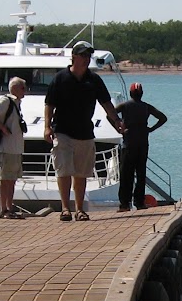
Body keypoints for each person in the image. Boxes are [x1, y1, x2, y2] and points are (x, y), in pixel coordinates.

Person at [44, 42, 124, 221]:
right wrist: (47, 126)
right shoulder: (60, 78)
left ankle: (80, 209)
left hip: (85, 132)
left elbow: (106, 104)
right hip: (62, 130)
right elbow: (49, 104)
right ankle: (65, 208)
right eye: (83, 55)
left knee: (81, 173)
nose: (86, 59)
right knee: (63, 170)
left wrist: (117, 121)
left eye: (88, 56)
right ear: (74, 57)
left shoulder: (94, 80)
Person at [115, 82, 167, 211]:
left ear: (131, 93)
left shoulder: (124, 106)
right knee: (141, 174)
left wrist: (119, 128)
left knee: (126, 174)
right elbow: (163, 118)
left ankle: (125, 204)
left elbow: (109, 115)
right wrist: (151, 129)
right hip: (143, 144)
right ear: (142, 93)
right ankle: (139, 202)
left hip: (129, 144)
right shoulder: (146, 107)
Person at [0, 76, 28, 218]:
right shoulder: (6, 101)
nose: (25, 91)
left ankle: (9, 207)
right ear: (15, 88)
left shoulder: (17, 103)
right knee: (5, 179)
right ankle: (3, 209)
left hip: (16, 148)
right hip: (8, 147)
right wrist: (3, 128)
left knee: (12, 179)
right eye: (23, 88)